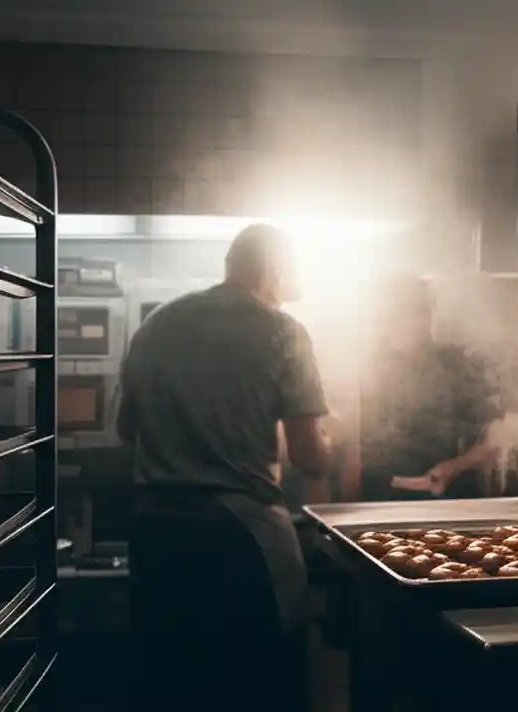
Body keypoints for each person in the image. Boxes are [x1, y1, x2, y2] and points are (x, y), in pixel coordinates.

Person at [117, 224, 333, 711]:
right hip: (240, 543)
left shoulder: (157, 324)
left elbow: (126, 432)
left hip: (157, 537)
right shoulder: (282, 331)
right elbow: (309, 457)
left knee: (172, 684)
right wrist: (328, 440)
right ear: (274, 268)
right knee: (256, 686)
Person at [358, 277, 504, 500]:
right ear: (385, 318)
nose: (413, 322)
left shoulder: (458, 364)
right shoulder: (365, 367)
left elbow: (494, 437)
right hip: (378, 499)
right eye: (403, 313)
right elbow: (348, 446)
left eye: (421, 311)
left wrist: (454, 468)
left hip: (448, 496)